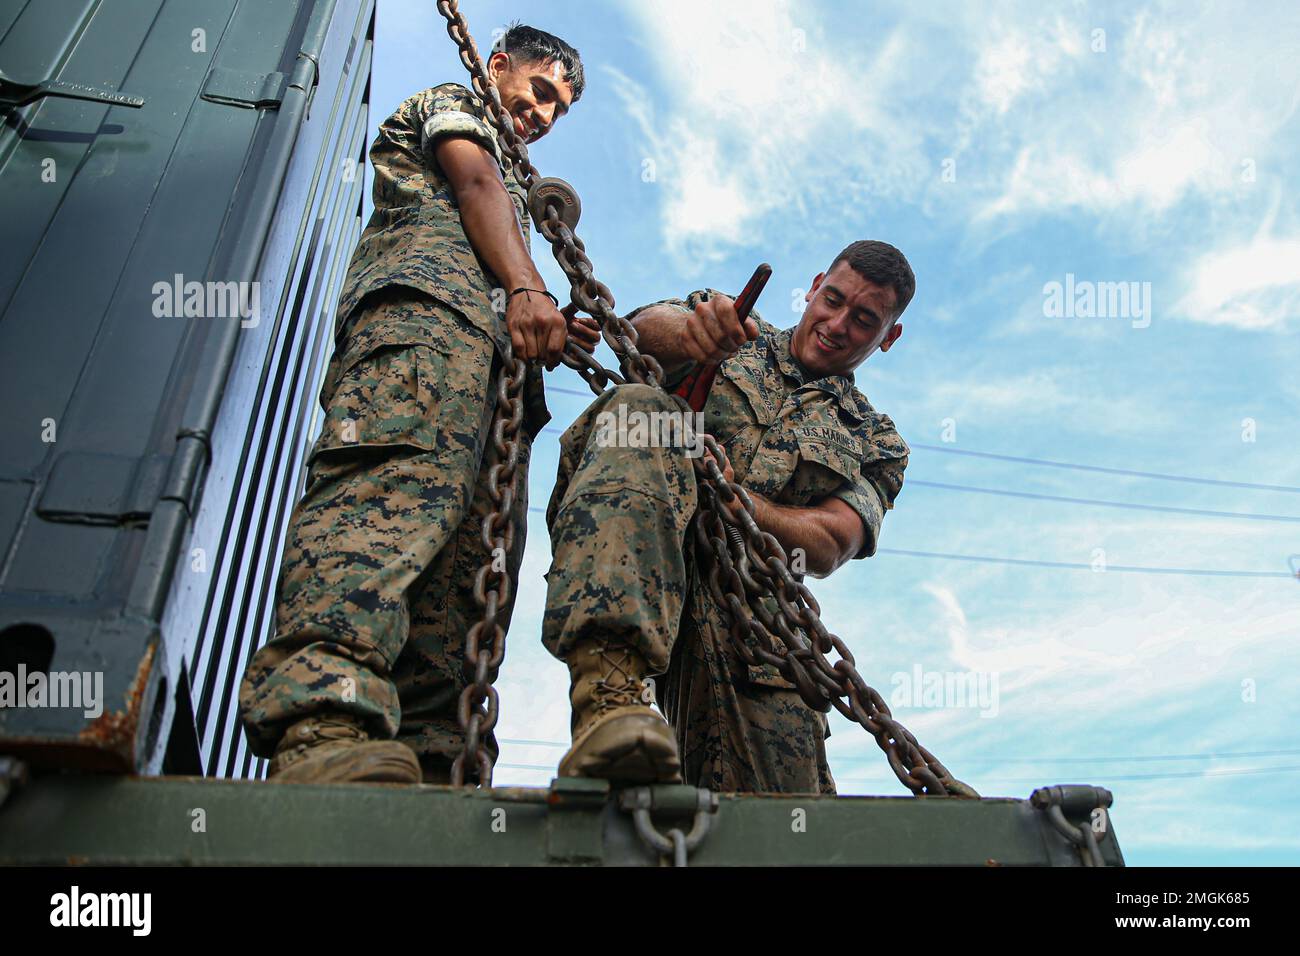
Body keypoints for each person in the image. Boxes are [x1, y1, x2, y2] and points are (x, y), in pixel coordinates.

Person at [239, 23, 587, 784]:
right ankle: (320, 723)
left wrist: (542, 308)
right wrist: (528, 288)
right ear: (498, 67)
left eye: (559, 110)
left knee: (462, 580)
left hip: (490, 382)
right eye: (539, 92)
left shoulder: (517, 210)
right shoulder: (450, 106)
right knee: (382, 507)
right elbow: (475, 185)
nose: (543, 117)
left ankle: (432, 768)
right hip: (422, 333)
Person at [542, 240, 914, 793]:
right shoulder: (731, 320)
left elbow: (835, 538)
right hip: (634, 535)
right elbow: (643, 329)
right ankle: (610, 698)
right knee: (643, 412)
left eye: (863, 320)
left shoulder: (876, 439)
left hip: (758, 626)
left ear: (888, 337)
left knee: (783, 826)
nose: (836, 324)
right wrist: (692, 334)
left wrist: (741, 502)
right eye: (832, 300)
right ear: (813, 287)